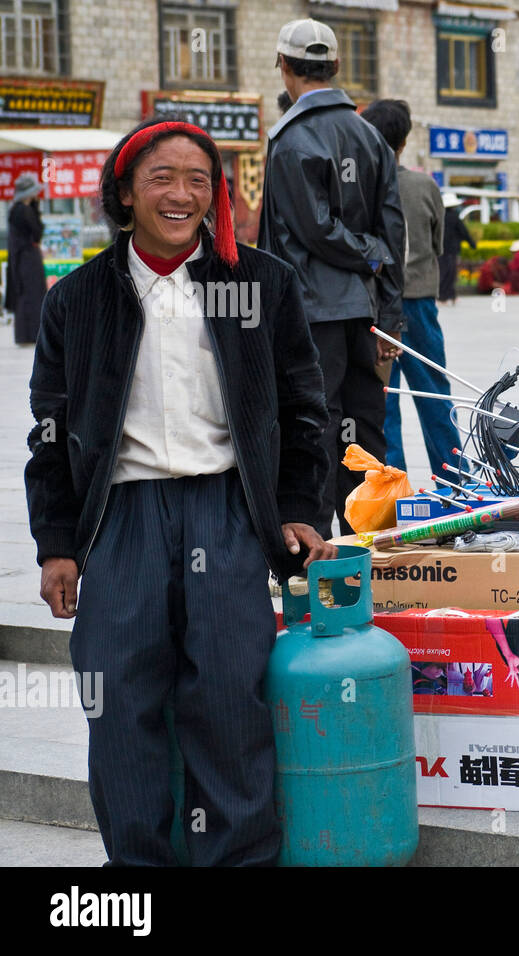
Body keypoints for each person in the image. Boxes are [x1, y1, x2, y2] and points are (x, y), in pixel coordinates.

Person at [25, 118, 335, 864]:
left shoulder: (257, 284)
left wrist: (300, 508)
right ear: (125, 192)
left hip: (223, 512)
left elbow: (302, 407)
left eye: (199, 180)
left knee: (229, 698)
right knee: (121, 702)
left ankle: (239, 858)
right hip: (122, 521)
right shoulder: (80, 299)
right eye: (162, 176)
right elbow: (49, 432)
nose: (182, 193)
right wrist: (57, 545)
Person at [258, 18, 405, 540]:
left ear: (283, 66)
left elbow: (315, 230)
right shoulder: (371, 136)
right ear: (337, 66)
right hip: (362, 314)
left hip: (311, 313)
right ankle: (377, 547)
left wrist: (365, 254)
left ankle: (311, 557)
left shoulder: (292, 139)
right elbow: (393, 233)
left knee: (313, 432)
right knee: (365, 433)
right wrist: (390, 318)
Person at [360, 99, 460, 478]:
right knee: (434, 393)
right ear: (403, 143)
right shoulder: (424, 185)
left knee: (383, 400)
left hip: (376, 305)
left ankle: (391, 483)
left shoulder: (365, 188)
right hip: (418, 303)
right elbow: (437, 244)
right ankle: (453, 478)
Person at [6, 171, 46, 345]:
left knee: (24, 293)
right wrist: (36, 209)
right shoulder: (24, 210)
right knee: (32, 294)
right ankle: (31, 334)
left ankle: (25, 335)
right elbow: (37, 232)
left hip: (20, 257)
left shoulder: (15, 209)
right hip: (28, 257)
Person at [437, 193, 475, 303]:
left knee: (444, 272)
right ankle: (448, 296)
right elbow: (463, 232)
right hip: (452, 250)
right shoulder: (454, 217)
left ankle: (447, 296)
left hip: (441, 249)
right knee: (450, 273)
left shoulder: (440, 216)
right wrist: (472, 243)